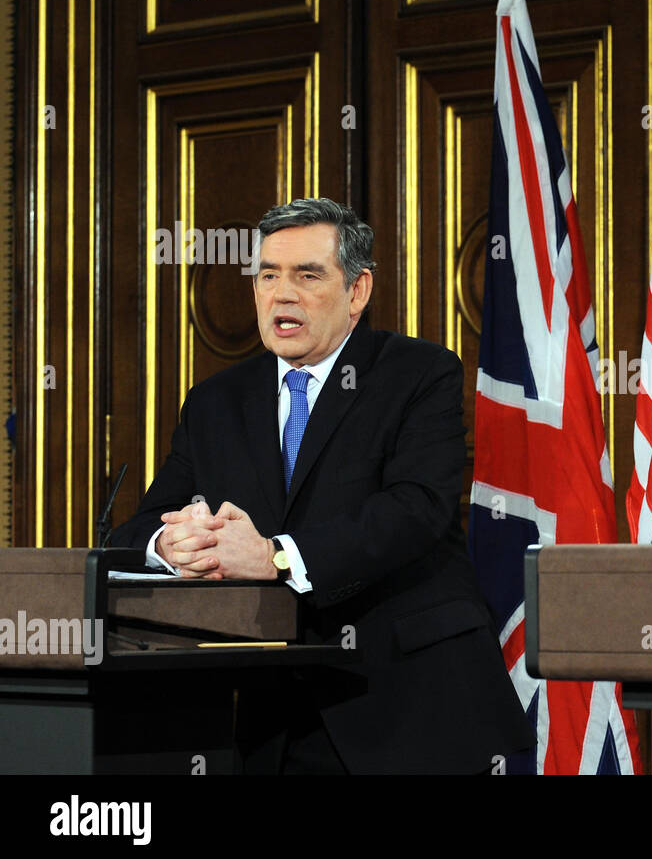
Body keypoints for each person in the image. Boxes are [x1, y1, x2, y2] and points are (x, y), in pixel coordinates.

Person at [112, 197, 534, 774]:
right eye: (267, 275)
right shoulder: (216, 402)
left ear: (357, 291)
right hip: (269, 720)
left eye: (307, 275)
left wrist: (274, 557)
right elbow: (140, 525)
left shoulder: (419, 373)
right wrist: (170, 546)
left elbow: (415, 509)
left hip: (407, 705)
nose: (281, 294)